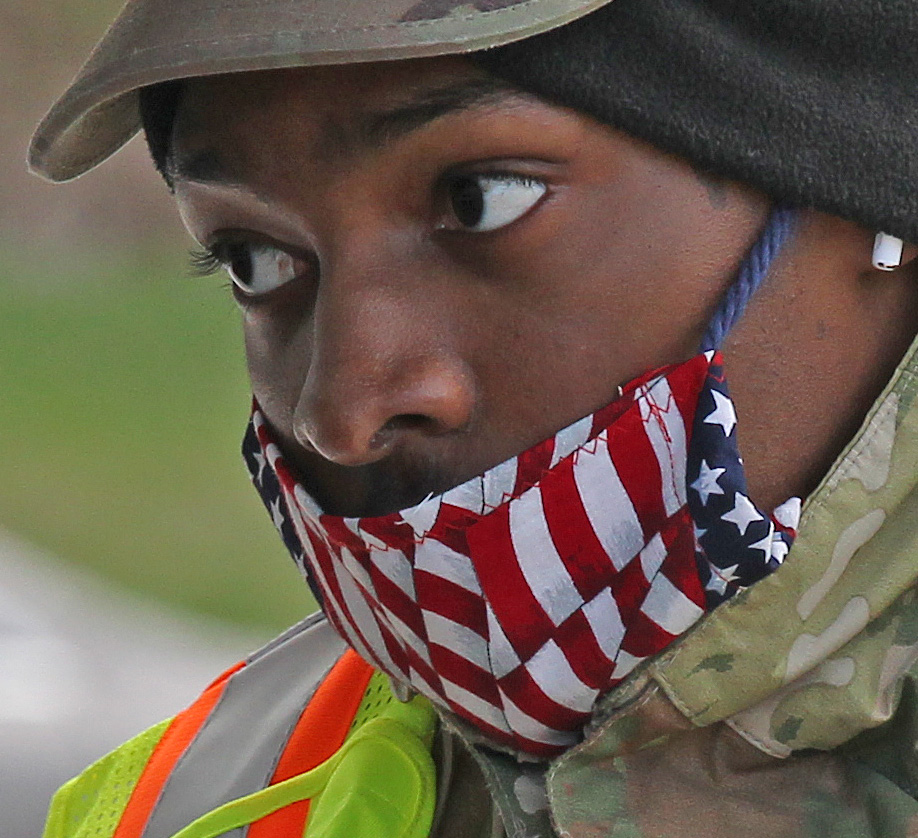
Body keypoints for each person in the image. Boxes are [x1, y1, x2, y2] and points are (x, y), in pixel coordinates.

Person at [29, 1, 918, 836]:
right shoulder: (195, 803)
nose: (340, 409)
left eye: (483, 198)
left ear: (877, 189)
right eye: (255, 260)